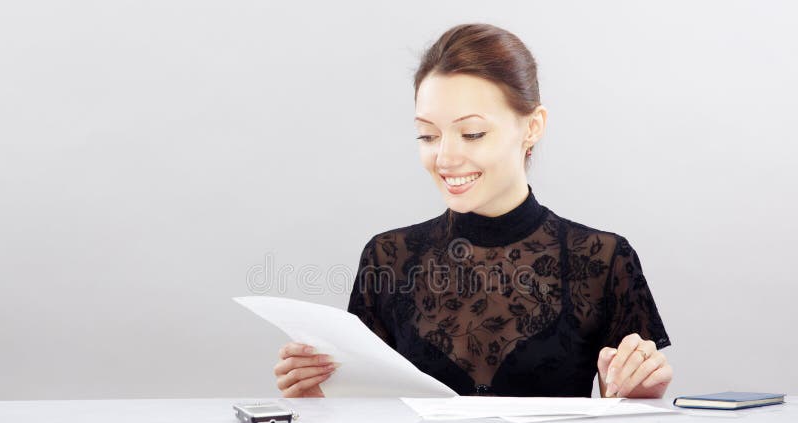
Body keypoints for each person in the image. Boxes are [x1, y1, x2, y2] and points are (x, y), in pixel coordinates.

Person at [273, 23, 673, 399]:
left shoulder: (603, 260)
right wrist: (318, 397)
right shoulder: (388, 258)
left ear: (532, 127)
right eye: (427, 135)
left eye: (472, 134)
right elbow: (366, 418)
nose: (445, 157)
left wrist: (638, 394)